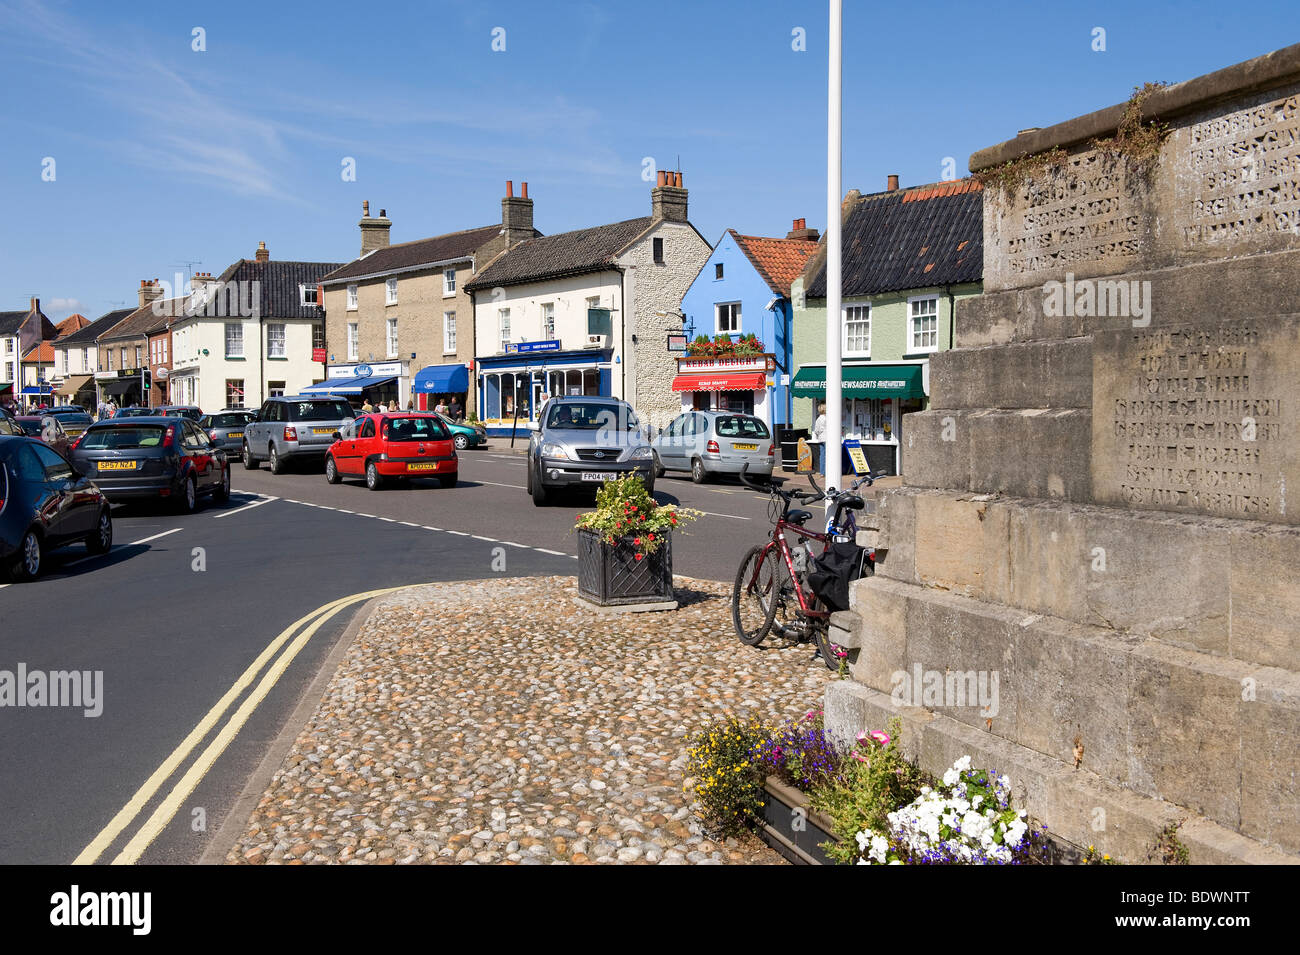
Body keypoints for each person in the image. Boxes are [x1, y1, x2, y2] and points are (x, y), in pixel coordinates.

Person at [811, 402, 827, 472]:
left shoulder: (818, 419)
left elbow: (816, 430)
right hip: (827, 439)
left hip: (821, 439)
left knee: (822, 456)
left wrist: (819, 434)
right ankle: (827, 471)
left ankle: (822, 472)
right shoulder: (827, 418)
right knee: (828, 456)